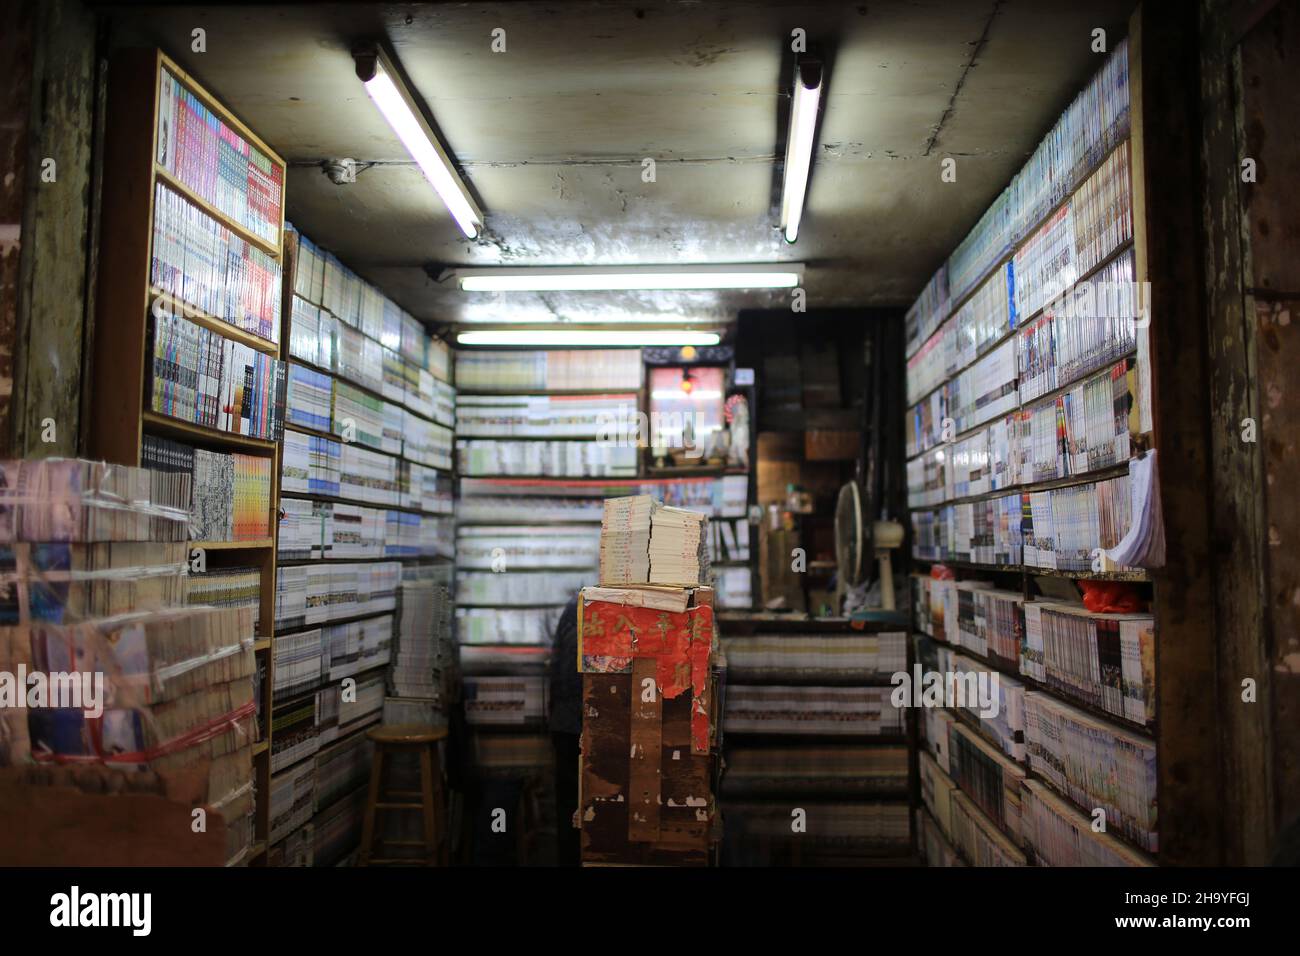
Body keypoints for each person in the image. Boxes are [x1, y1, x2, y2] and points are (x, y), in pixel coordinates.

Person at [548, 593, 582, 865]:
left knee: (570, 810)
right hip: (577, 726)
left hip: (567, 724)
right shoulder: (584, 608)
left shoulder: (576, 605)